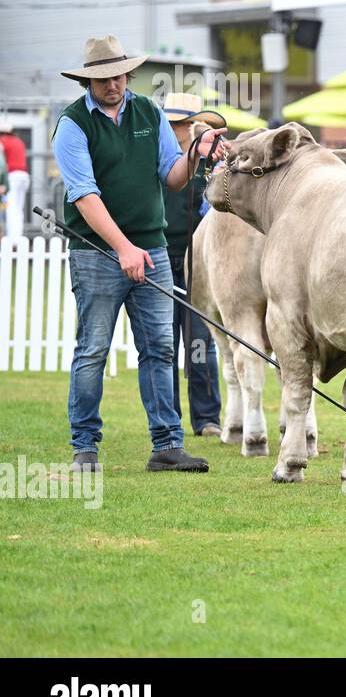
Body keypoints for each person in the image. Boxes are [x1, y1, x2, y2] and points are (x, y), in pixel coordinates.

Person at [51, 35, 226, 473]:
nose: (114, 84)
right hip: (96, 253)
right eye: (104, 78)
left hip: (152, 248)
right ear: (88, 81)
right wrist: (124, 248)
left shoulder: (149, 112)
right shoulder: (72, 124)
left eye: (120, 74)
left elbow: (172, 176)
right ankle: (85, 448)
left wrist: (196, 153)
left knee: (160, 349)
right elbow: (85, 195)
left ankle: (167, 444)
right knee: (93, 349)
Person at [161, 93, 224, 439]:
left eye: (183, 124)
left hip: (198, 263)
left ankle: (207, 418)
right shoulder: (156, 161)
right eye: (171, 124)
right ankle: (169, 419)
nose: (178, 130)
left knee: (200, 343)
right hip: (159, 257)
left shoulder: (212, 167)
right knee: (164, 344)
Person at [0, 118, 30, 238]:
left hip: (12, 177)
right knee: (18, 209)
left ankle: (11, 239)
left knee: (11, 208)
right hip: (24, 176)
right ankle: (17, 237)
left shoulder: (2, 141)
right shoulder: (19, 141)